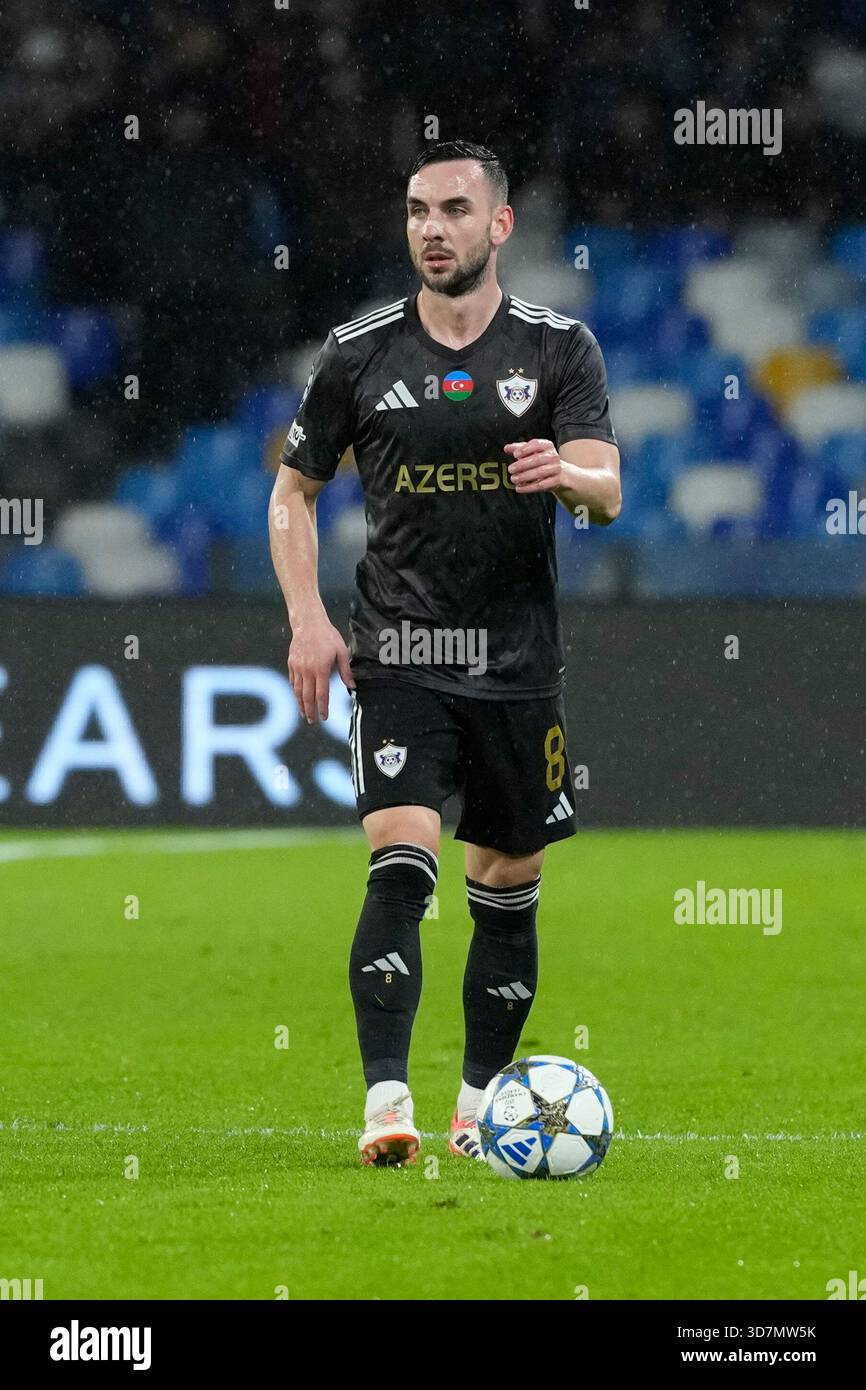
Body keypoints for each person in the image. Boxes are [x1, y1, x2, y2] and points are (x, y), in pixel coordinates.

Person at [269, 139, 621, 1166]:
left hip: (516, 664)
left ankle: (476, 1109)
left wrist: (563, 474)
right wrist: (306, 615)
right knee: (402, 864)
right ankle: (387, 1103)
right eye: (419, 210)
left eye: (456, 210)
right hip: (400, 654)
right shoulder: (358, 352)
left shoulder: (559, 350)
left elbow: (607, 490)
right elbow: (294, 491)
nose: (434, 228)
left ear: (498, 225)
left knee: (505, 886)